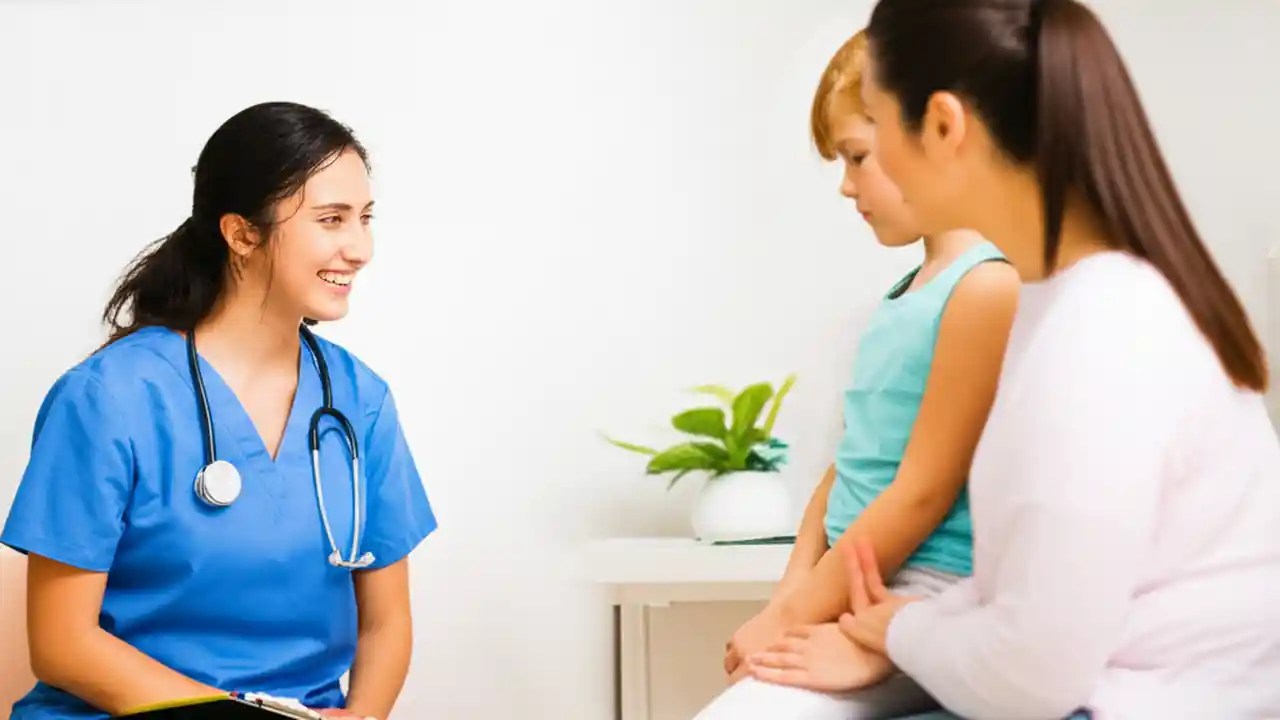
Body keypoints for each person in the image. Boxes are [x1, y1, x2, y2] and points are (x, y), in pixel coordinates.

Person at [761, 0, 1280, 717]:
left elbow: (1036, 678)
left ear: (943, 127)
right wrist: (896, 631)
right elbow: (1025, 598)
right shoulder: (1064, 302)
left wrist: (903, 631)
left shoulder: (1101, 332)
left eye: (876, 129)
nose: (859, 175)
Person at [0, 101, 438, 720]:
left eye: (364, 219)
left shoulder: (359, 401)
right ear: (241, 234)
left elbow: (384, 625)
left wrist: (361, 716)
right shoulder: (109, 398)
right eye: (331, 219)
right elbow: (63, 645)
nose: (360, 248)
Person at [695, 28, 1020, 720]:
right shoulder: (905, 295)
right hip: (851, 585)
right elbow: (844, 470)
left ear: (935, 133)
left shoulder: (986, 288)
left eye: (858, 158)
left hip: (926, 599)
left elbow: (921, 495)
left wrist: (793, 620)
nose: (846, 186)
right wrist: (788, 602)